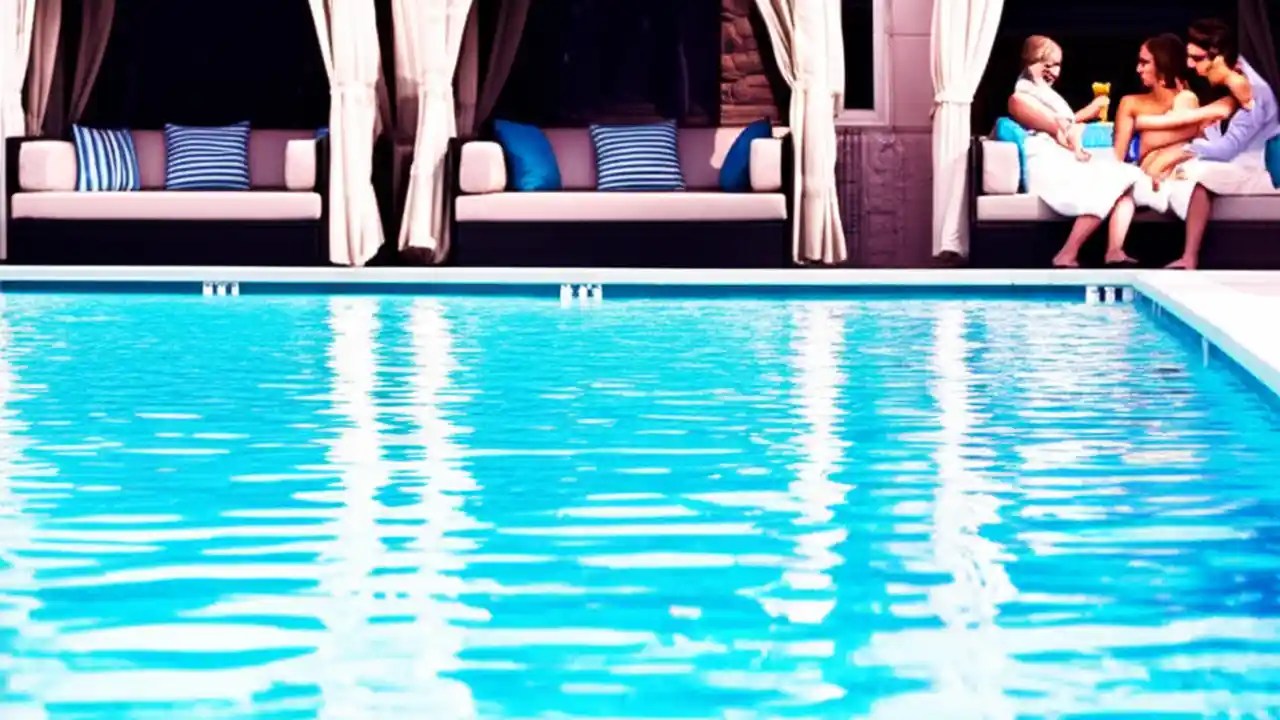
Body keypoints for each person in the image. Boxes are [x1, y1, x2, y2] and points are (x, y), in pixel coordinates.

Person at [1129, 18, 1279, 269]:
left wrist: (1181, 152)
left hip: (1257, 166)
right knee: (1177, 168)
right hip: (1239, 156)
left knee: (1198, 175)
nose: (1189, 65)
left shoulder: (1249, 89)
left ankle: (1190, 257)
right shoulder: (1234, 80)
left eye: (1197, 59)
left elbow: (1228, 149)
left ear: (1219, 58)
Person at [1006, 36, 1143, 268]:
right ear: (1030, 62)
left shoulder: (1044, 98)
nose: (1053, 71)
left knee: (1126, 181)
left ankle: (1114, 251)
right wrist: (1077, 147)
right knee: (1118, 177)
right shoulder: (1018, 99)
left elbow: (1064, 124)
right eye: (1046, 64)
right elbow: (1058, 127)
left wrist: (1084, 118)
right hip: (1047, 163)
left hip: (1062, 156)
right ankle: (1067, 253)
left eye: (1057, 65)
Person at [1100, 34, 1201, 265]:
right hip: (1145, 171)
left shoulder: (1187, 98)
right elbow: (1119, 156)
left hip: (1177, 167)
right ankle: (1114, 251)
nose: (1138, 69)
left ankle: (1188, 256)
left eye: (1144, 62)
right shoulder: (1131, 102)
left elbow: (1195, 140)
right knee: (1123, 181)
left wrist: (1147, 133)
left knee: (1183, 151)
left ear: (1163, 63)